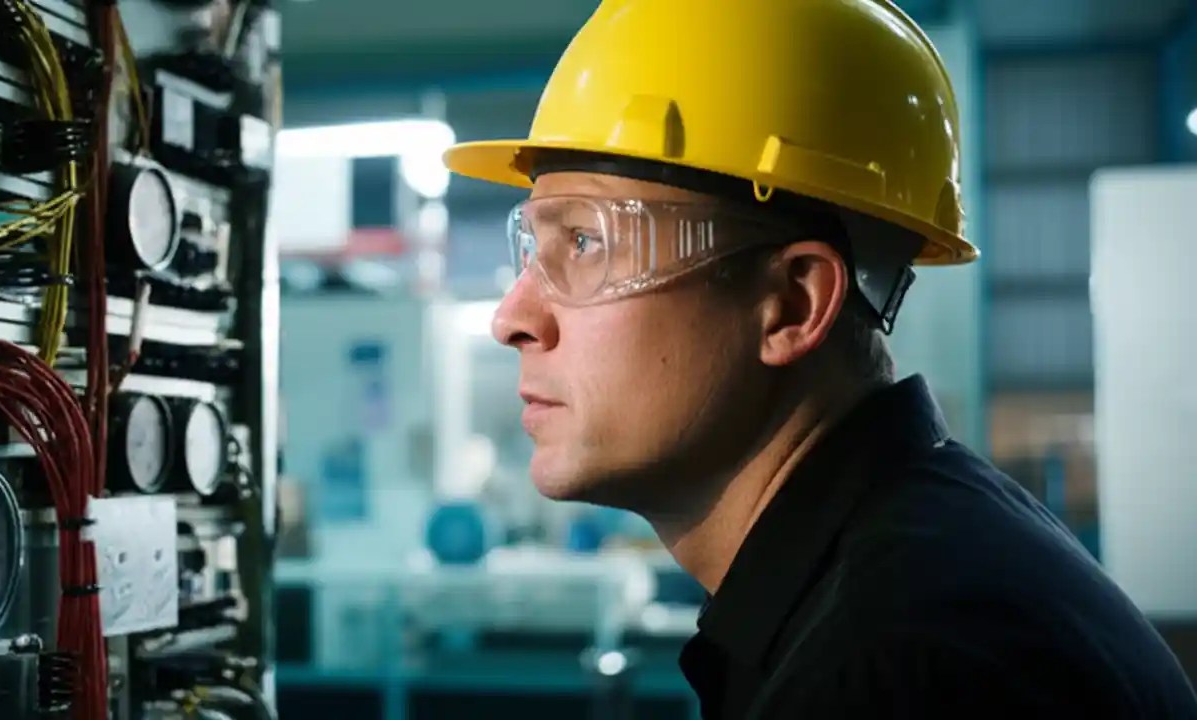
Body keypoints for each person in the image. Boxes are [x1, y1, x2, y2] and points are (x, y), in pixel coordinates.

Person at [443, 0, 1197, 717]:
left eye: (585, 242)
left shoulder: (904, 667)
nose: (513, 319)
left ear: (795, 304)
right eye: (531, 246)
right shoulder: (909, 573)